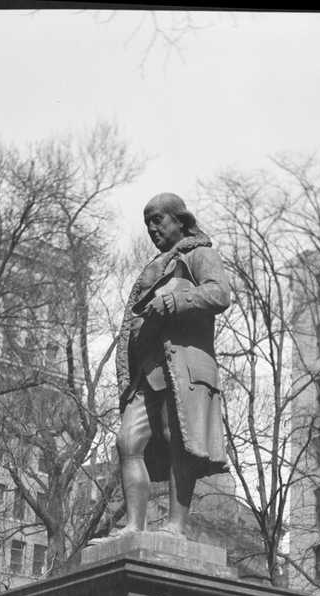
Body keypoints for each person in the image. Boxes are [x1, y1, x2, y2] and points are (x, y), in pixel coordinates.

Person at [111, 192, 231, 537]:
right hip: (146, 371)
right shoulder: (157, 266)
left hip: (182, 368)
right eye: (147, 222)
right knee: (127, 443)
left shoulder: (200, 254)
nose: (152, 228)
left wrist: (175, 301)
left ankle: (176, 526)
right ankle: (135, 526)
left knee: (177, 438)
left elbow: (219, 294)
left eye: (158, 219)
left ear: (180, 220)